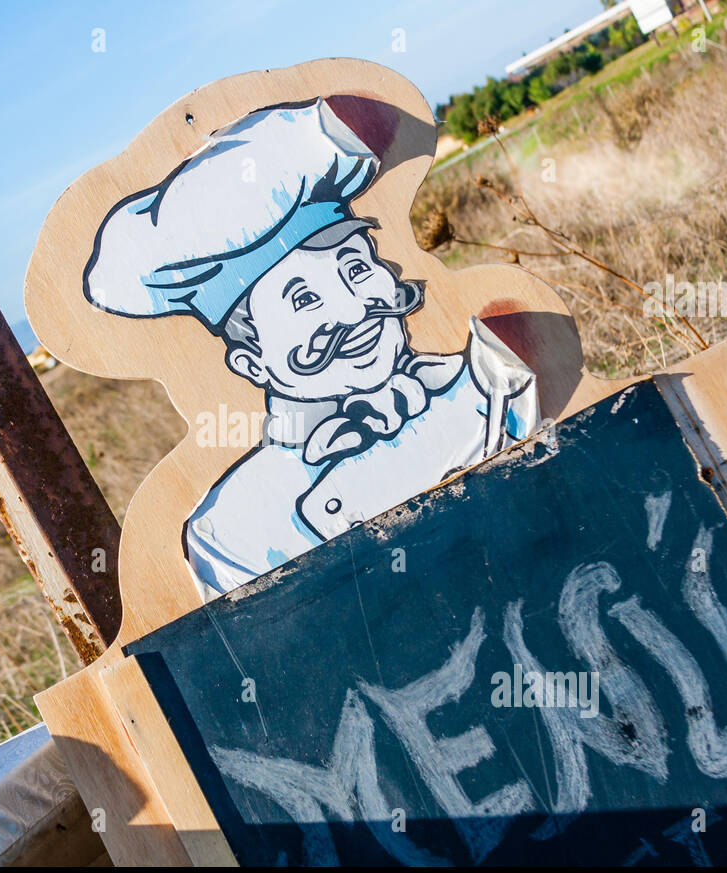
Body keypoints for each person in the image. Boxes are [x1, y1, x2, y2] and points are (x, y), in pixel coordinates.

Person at [85, 99, 538, 600]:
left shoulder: (496, 378)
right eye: (303, 299)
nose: (352, 310)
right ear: (251, 362)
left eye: (356, 269)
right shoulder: (234, 533)